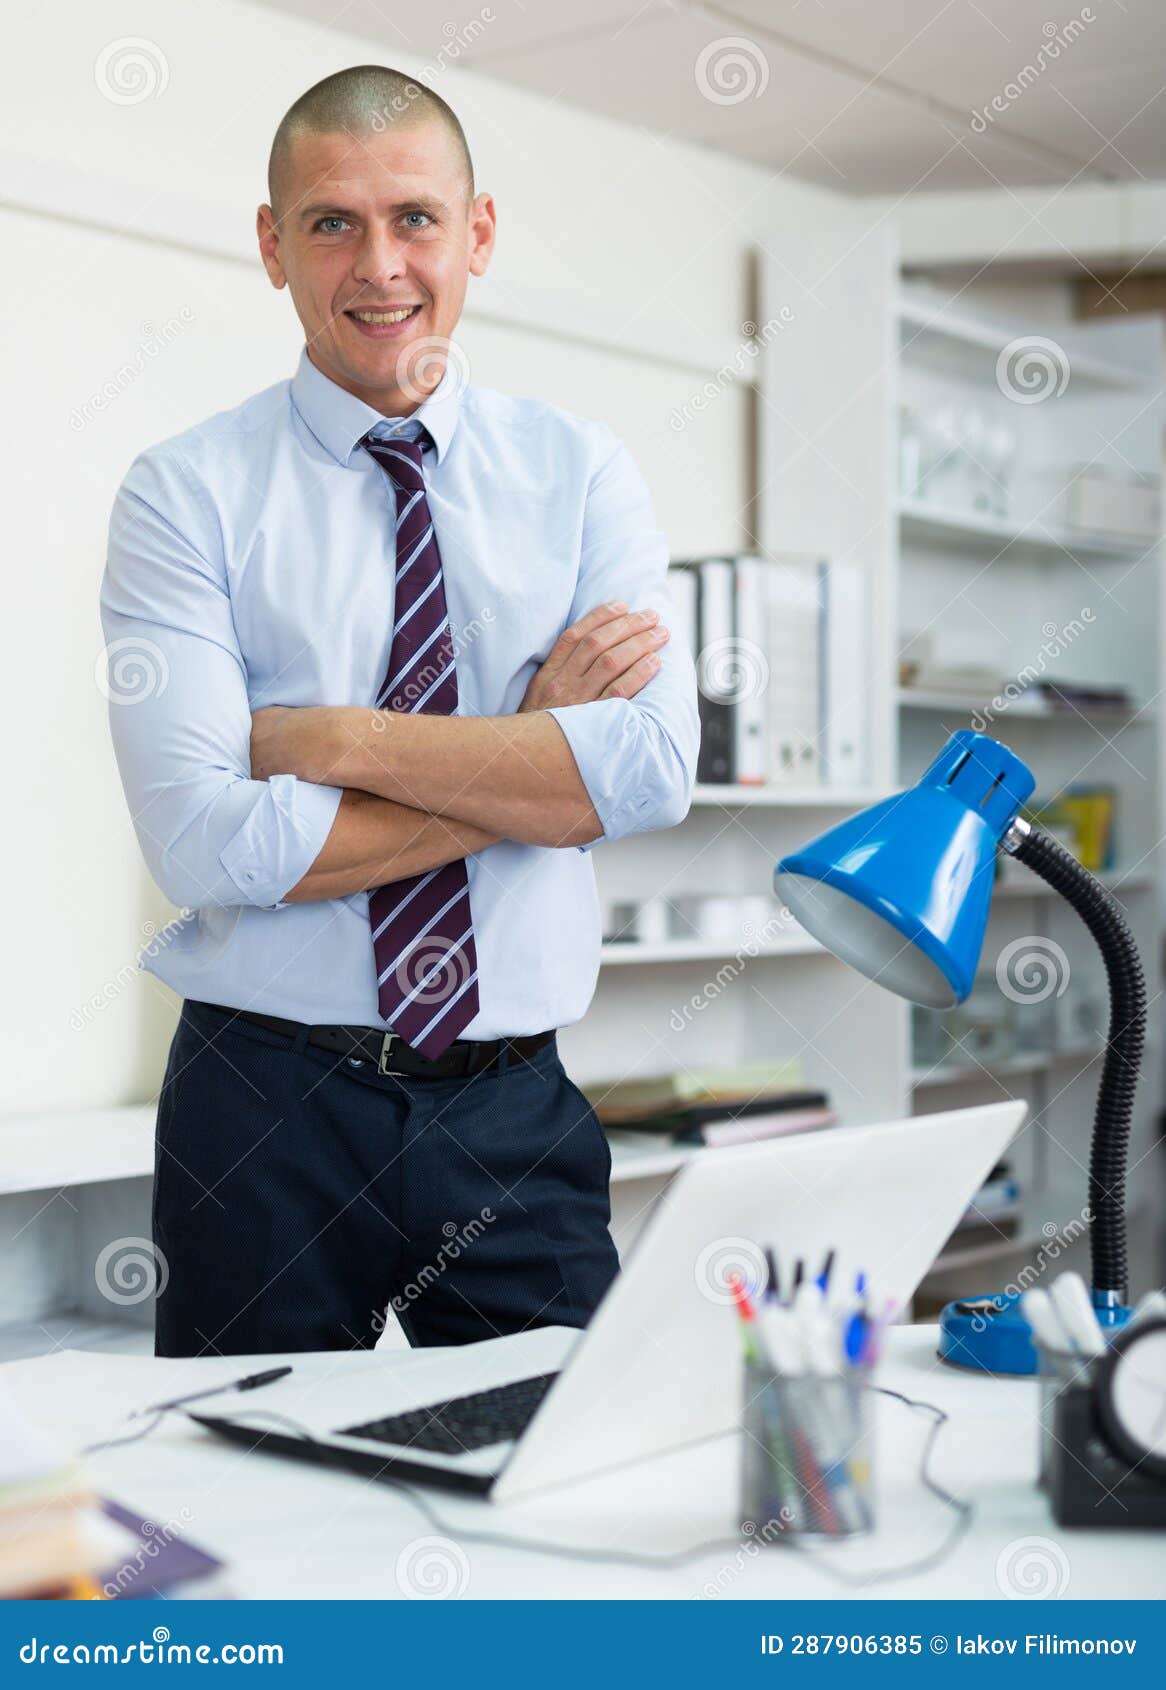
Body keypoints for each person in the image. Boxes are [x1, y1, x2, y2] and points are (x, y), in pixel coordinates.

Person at [100, 64, 699, 1359]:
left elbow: (646, 773)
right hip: (262, 1109)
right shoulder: (184, 495)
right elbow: (206, 845)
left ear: (477, 232)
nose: (379, 265)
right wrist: (531, 755)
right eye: (330, 222)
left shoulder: (581, 472)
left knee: (553, 1484)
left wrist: (330, 737)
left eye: (415, 218)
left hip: (513, 1105)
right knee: (245, 1503)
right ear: (272, 243)